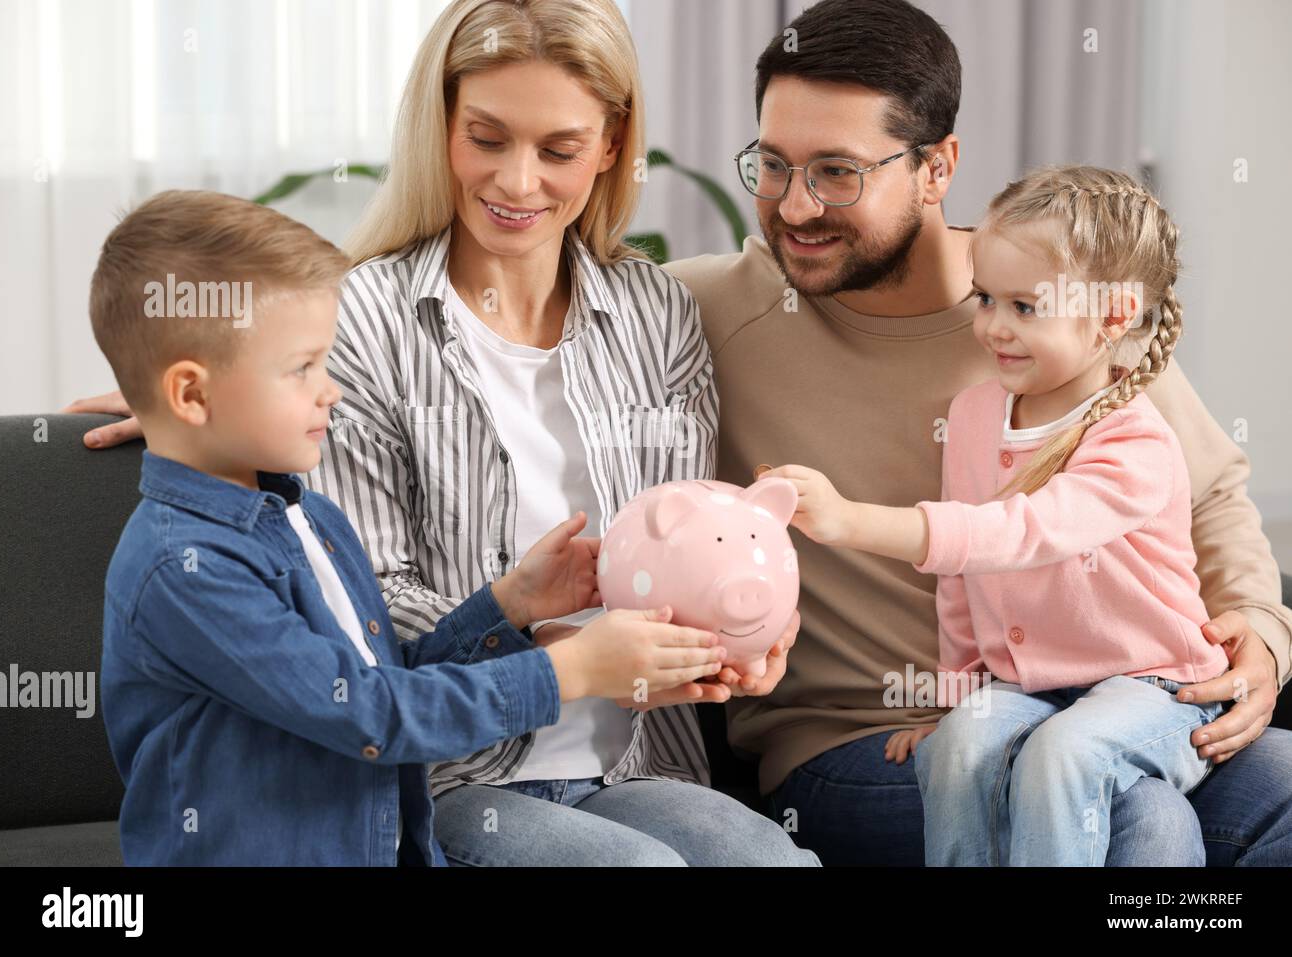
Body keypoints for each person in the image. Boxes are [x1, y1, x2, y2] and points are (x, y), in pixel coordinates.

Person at [69, 0, 817, 867]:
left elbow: (699, 543)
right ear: (441, 125)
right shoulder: (356, 322)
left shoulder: (657, 312)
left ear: (612, 145)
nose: (517, 181)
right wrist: (561, 654)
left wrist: (730, 642)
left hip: (637, 759)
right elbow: (364, 622)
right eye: (487, 138)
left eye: (560, 149)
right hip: (456, 777)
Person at [664, 0, 1292, 866]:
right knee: (1141, 822)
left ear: (937, 167)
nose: (796, 206)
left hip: (1106, 694)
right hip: (868, 739)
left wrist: (1259, 628)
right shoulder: (700, 310)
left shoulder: (1059, 315)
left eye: (837, 172)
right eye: (773, 164)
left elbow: (1211, 492)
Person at [90, 189, 728, 865]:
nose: (329, 388)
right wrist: (565, 670)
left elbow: (384, 676)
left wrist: (507, 606)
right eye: (301, 368)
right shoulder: (185, 568)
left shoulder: (310, 516)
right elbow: (370, 714)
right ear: (191, 393)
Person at [765, 165, 1230, 865]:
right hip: (1030, 682)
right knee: (959, 747)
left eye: (1025, 307)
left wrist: (849, 520)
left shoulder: (1134, 441)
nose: (993, 328)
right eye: (985, 298)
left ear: (1113, 315)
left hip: (1158, 686)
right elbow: (963, 581)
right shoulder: (975, 415)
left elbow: (1017, 534)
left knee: (1064, 753)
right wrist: (954, 700)